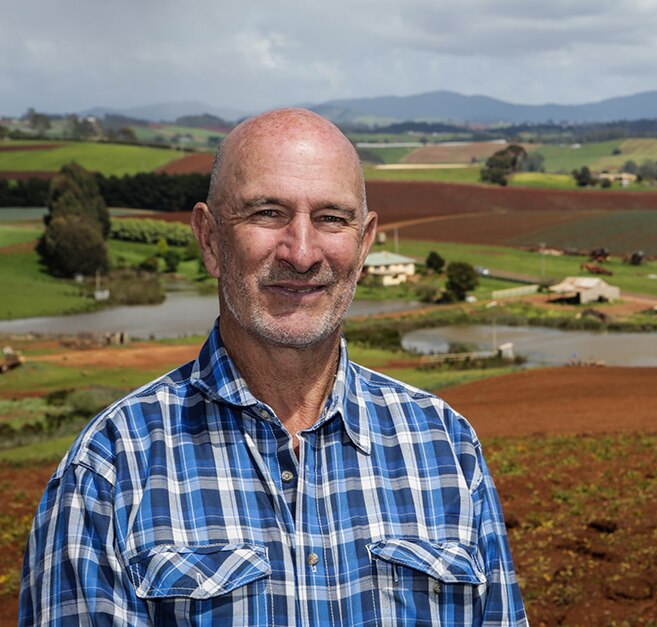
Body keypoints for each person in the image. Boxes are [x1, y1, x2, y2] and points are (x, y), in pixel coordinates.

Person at [20, 108, 527, 626]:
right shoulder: (110, 469)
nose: (302, 253)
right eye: (267, 213)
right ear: (211, 238)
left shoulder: (447, 447)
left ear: (365, 242)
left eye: (331, 218)